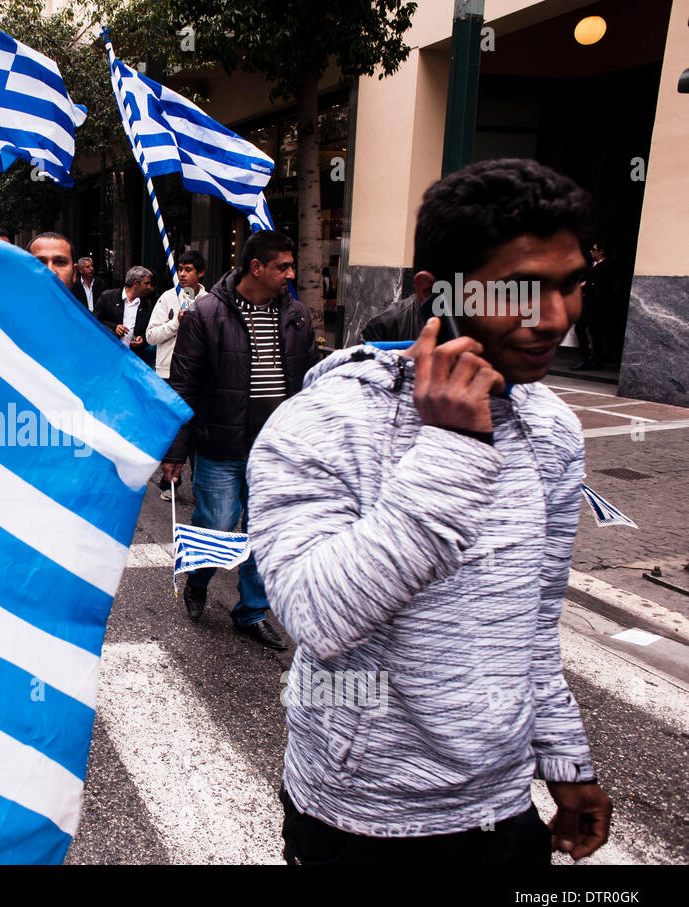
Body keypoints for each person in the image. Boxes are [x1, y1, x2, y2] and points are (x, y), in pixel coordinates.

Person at [248, 157, 612, 865]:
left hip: (504, 806)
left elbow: (535, 622)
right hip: (358, 817)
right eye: (522, 291)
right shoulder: (319, 423)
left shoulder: (554, 430)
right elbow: (317, 617)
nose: (557, 319)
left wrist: (566, 759)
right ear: (433, 290)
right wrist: (453, 448)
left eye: (572, 286)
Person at [160, 231, 317, 650]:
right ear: (256, 267)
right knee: (218, 525)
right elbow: (183, 387)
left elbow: (310, 384)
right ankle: (198, 581)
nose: (290, 273)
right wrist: (175, 452)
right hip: (221, 446)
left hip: (279, 451)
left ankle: (250, 612)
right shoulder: (205, 314)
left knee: (269, 532)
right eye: (283, 266)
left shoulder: (298, 316)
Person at [145, 249, 207, 381]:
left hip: (197, 373)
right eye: (180, 269)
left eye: (188, 270)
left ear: (200, 273)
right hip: (168, 373)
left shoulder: (209, 301)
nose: (182, 274)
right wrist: (176, 323)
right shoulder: (167, 298)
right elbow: (151, 336)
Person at [94, 266, 155, 364]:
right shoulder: (107, 297)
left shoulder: (147, 304)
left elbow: (151, 329)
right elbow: (94, 322)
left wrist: (142, 339)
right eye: (146, 283)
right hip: (109, 357)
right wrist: (114, 328)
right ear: (136, 283)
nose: (149, 287)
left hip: (134, 360)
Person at [573, 240, 614, 370]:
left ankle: (596, 359)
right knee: (580, 328)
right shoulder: (591, 265)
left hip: (598, 304)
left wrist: (588, 285)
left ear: (601, 251)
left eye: (594, 249)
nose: (591, 252)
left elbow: (602, 285)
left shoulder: (607, 266)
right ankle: (586, 358)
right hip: (588, 302)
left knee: (596, 332)